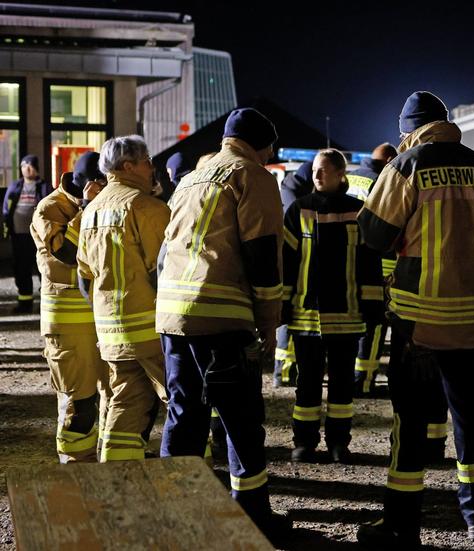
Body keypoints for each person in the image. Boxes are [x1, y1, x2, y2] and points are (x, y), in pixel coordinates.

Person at [356, 91, 474, 547]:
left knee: (411, 422)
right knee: (471, 419)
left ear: (409, 130)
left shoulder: (406, 165)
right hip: (472, 315)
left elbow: (374, 234)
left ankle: (401, 525)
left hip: (418, 317)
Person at [156, 108, 291, 538]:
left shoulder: (191, 178)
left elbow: (166, 250)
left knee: (184, 418)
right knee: (241, 423)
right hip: (221, 318)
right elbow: (262, 257)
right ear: (263, 145)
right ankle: (251, 519)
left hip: (173, 317)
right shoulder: (254, 176)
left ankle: (174, 514)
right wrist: (270, 322)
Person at [282, 148, 383, 464]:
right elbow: (286, 263)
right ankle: (305, 443)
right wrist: (282, 307)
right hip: (306, 317)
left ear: (342, 174)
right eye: (314, 170)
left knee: (342, 387)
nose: (317, 175)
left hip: (348, 314)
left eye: (324, 170)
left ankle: (339, 443)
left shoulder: (359, 211)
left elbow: (370, 265)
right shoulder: (298, 210)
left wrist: (373, 308)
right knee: (306, 386)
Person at [75, 136, 170, 461]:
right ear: (128, 166)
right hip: (151, 330)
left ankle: (117, 475)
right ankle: (199, 476)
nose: (151, 168)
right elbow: (167, 272)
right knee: (184, 401)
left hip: (110, 331)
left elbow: (84, 275)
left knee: (125, 401)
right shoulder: (148, 209)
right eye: (146, 161)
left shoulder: (91, 211)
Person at [30, 152, 112, 462]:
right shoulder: (49, 208)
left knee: (112, 392)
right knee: (80, 400)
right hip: (68, 324)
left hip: (101, 317)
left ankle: (105, 462)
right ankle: (76, 467)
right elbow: (65, 253)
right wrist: (89, 209)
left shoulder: (100, 202)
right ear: (93, 185)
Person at [348, 142, 398, 396]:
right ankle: (364, 380)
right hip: (378, 264)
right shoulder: (381, 182)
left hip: (347, 262)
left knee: (351, 322)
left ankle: (348, 377)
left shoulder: (348, 176)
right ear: (389, 158)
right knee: (376, 325)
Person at [273, 160, 313, 388]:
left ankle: (285, 371)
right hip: (290, 259)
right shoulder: (293, 196)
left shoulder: (289, 187)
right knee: (287, 317)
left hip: (287, 257)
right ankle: (284, 373)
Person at [4, 154, 52, 313]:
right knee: (21, 267)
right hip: (19, 235)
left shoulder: (44, 186)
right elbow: (7, 208)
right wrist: (8, 229)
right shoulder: (15, 186)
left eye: (30, 165)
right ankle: (25, 302)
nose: (27, 168)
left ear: (36, 168)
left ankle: (46, 302)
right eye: (24, 166)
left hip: (38, 236)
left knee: (42, 267)